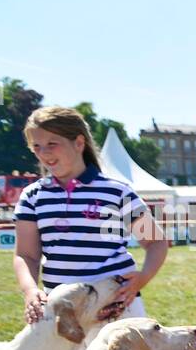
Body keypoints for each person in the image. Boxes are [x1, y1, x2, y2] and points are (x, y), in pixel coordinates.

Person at [14, 106, 167, 328]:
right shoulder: (33, 196)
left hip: (115, 304)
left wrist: (143, 277)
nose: (44, 153)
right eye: (36, 146)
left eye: (52, 144)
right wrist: (30, 290)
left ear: (79, 143)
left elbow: (156, 242)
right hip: (61, 308)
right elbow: (26, 255)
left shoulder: (117, 192)